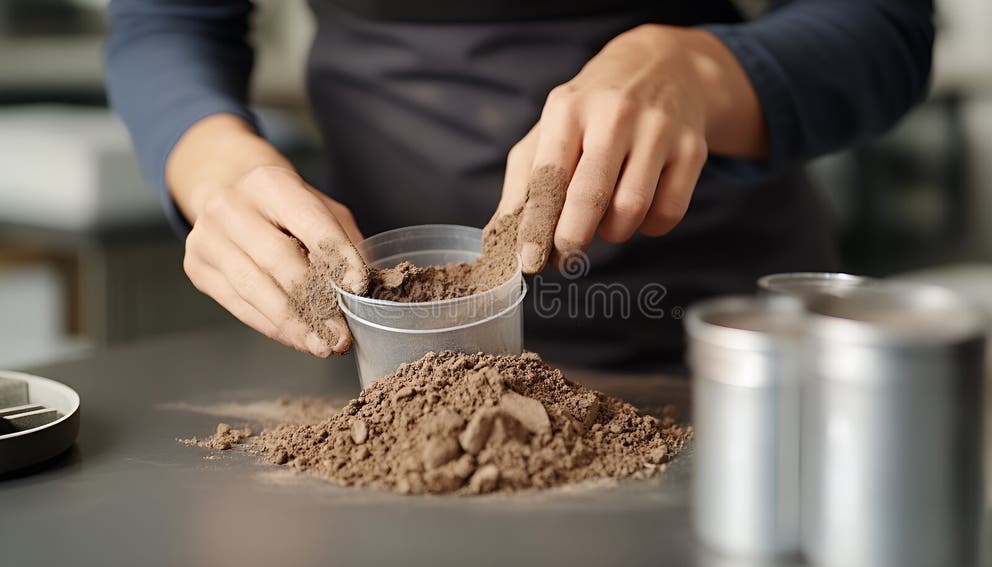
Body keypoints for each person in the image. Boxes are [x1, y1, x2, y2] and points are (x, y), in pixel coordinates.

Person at [106, 0, 934, 372]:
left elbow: (885, 24)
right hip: (391, 360)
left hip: (712, 349)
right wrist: (210, 160)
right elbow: (166, 21)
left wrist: (697, 69)